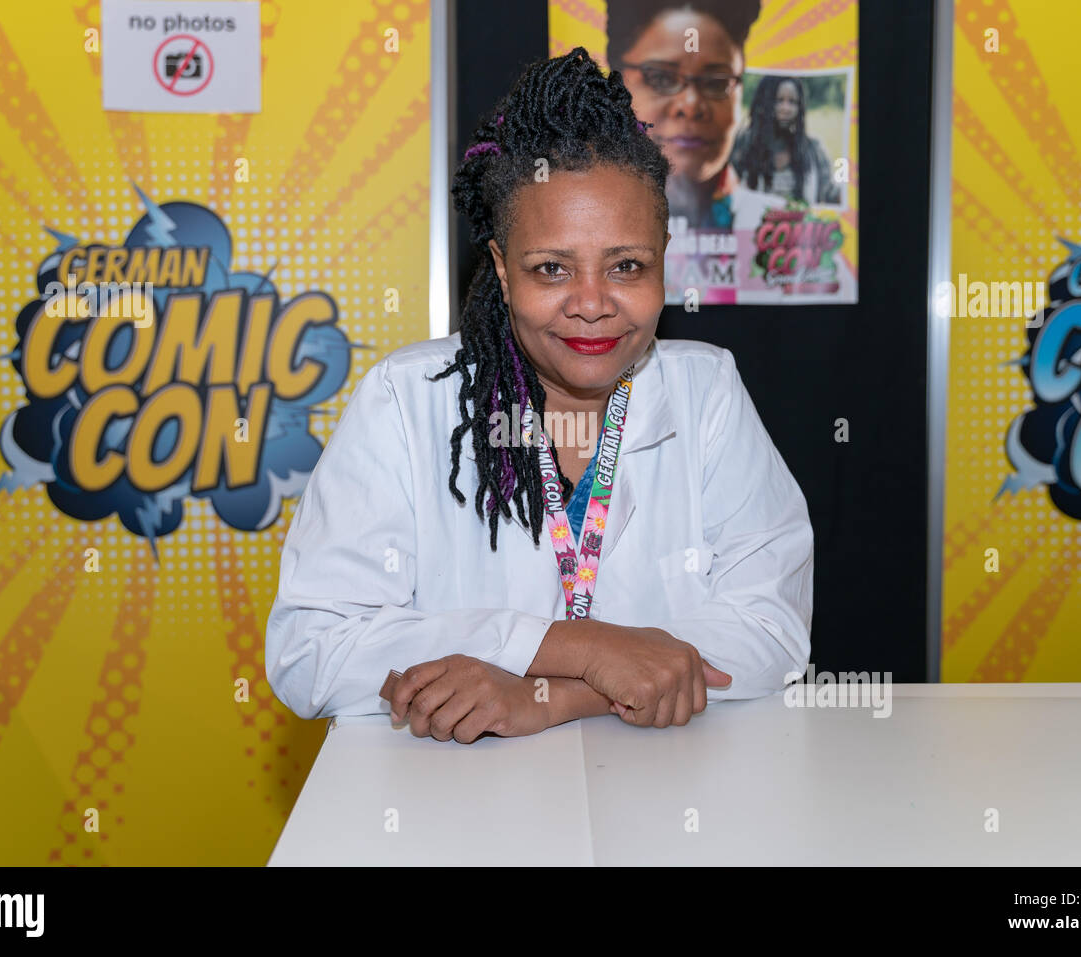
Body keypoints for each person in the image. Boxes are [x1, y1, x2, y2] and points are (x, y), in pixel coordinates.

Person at [265, 48, 813, 744]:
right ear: (499, 267)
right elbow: (311, 651)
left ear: (664, 257)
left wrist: (553, 696)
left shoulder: (706, 392)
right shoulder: (405, 403)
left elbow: (774, 629)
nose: (592, 304)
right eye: (551, 268)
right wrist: (570, 646)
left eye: (627, 265)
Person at [605, 0, 762, 229]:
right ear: (615, 84)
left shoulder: (780, 228)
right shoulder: (581, 219)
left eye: (716, 83)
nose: (691, 106)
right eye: (661, 79)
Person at [734, 75, 841, 206]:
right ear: (764, 103)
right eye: (779, 100)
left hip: (801, 225)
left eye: (793, 102)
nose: (786, 109)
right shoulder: (745, 144)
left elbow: (831, 193)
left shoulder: (813, 149)